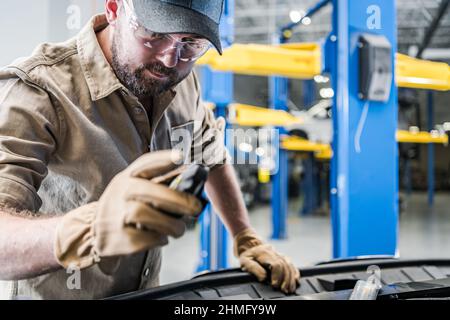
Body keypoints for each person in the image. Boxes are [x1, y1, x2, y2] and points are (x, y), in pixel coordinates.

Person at [0, 0, 300, 299]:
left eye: (191, 43)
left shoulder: (183, 82)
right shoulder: (39, 91)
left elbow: (211, 155)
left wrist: (246, 237)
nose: (170, 59)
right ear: (115, 9)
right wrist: (87, 230)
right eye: (154, 33)